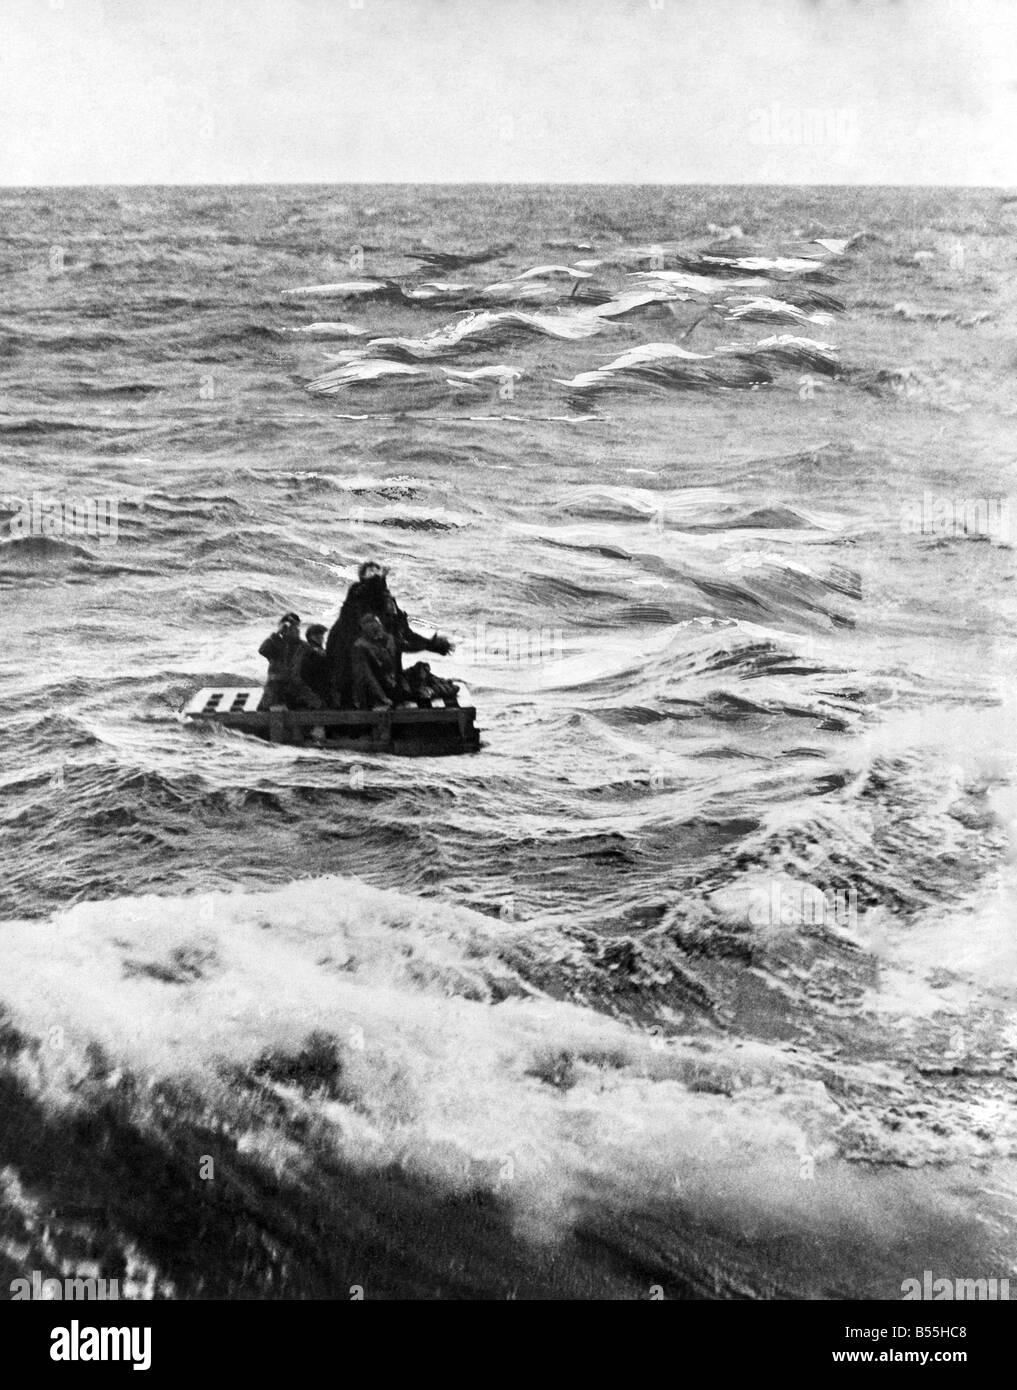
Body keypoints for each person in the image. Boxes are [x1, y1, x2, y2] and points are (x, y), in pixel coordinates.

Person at [325, 561, 455, 707]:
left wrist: (431, 645)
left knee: (420, 678)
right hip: (357, 679)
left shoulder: (387, 603)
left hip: (387, 675)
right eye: (371, 574)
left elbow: (406, 635)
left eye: (377, 573)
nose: (376, 577)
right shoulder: (357, 603)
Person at [258, 612, 324, 711]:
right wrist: (277, 633)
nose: (296, 630)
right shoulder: (276, 644)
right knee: (277, 712)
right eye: (292, 628)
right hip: (276, 693)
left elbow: (318, 656)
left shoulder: (302, 646)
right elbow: (263, 650)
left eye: (297, 627)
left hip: (297, 690)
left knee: (321, 706)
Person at [349, 613, 400, 709]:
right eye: (374, 628)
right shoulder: (360, 646)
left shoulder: (379, 643)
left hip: (384, 687)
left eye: (378, 626)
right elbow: (367, 674)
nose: (378, 631)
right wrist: (382, 697)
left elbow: (389, 665)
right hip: (369, 693)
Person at [299, 623, 331, 704]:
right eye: (319, 635)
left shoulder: (309, 649)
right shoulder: (314, 650)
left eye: (322, 635)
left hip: (314, 686)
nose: (322, 638)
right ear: (313, 637)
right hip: (317, 687)